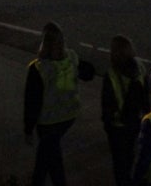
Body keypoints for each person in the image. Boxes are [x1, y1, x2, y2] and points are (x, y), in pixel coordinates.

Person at [23, 21, 96, 186]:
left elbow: (32, 102)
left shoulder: (39, 69)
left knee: (45, 161)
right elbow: (88, 73)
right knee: (51, 154)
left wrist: (28, 128)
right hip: (69, 116)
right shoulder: (71, 58)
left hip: (48, 120)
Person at [102, 35, 149, 186]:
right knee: (131, 157)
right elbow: (146, 95)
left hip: (118, 126)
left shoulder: (112, 74)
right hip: (136, 121)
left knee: (120, 165)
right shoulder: (140, 67)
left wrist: (107, 124)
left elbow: (107, 105)